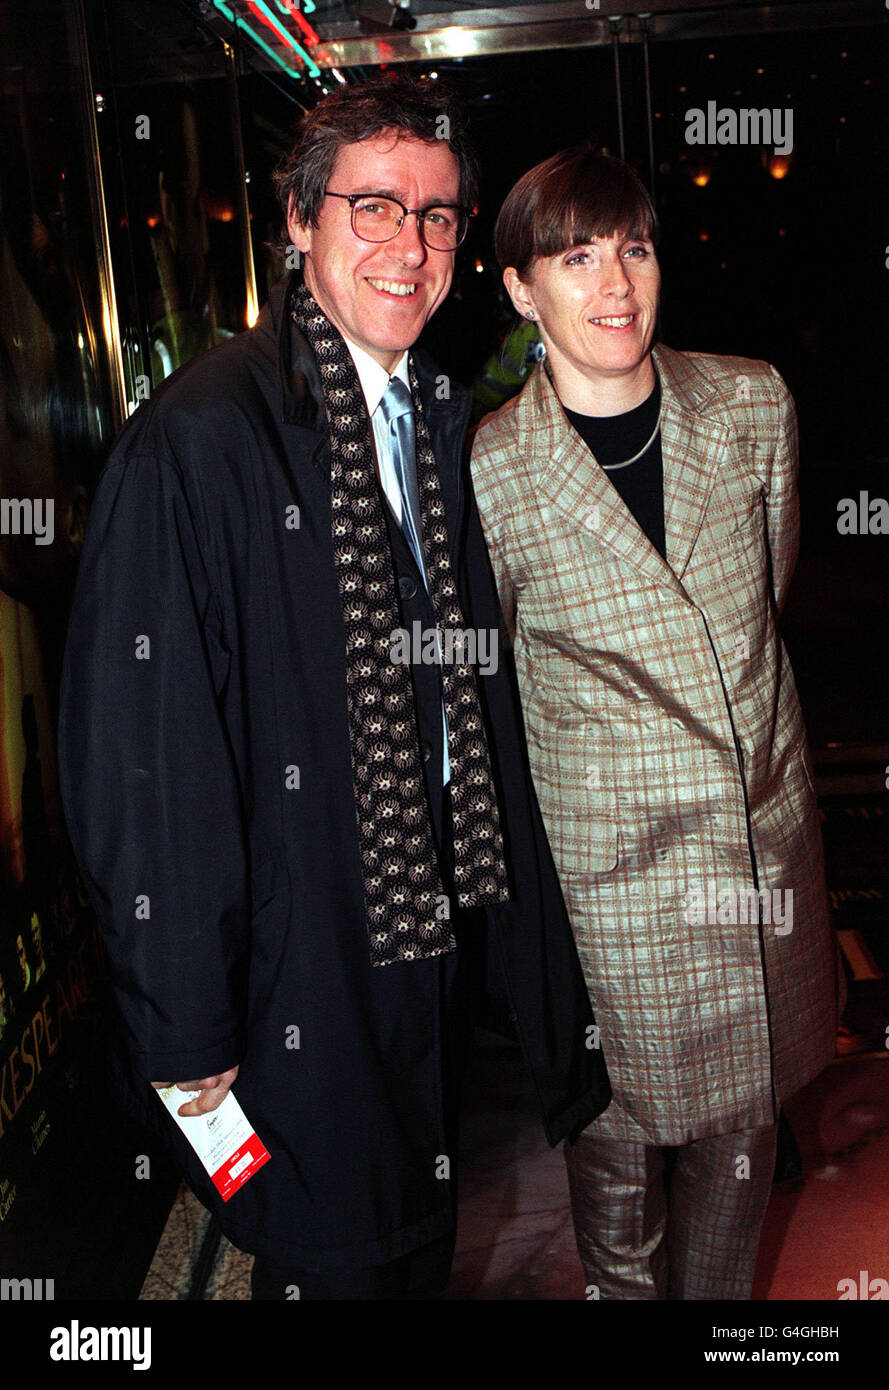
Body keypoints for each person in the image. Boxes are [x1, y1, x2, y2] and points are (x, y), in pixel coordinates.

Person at [57, 80, 608, 1301]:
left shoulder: (434, 415)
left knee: (407, 1240)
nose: (410, 248)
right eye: (373, 208)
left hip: (419, 944)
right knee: (333, 1259)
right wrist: (186, 1026)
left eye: (439, 218)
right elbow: (141, 757)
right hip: (290, 960)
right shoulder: (202, 440)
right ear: (297, 224)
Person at [470, 145, 844, 1300]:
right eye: (573, 257)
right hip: (608, 903)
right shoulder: (490, 471)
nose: (613, 282)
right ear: (522, 290)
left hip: (747, 864)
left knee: (738, 1164)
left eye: (631, 247)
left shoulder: (748, 404)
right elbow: (497, 694)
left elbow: (761, 600)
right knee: (620, 1195)